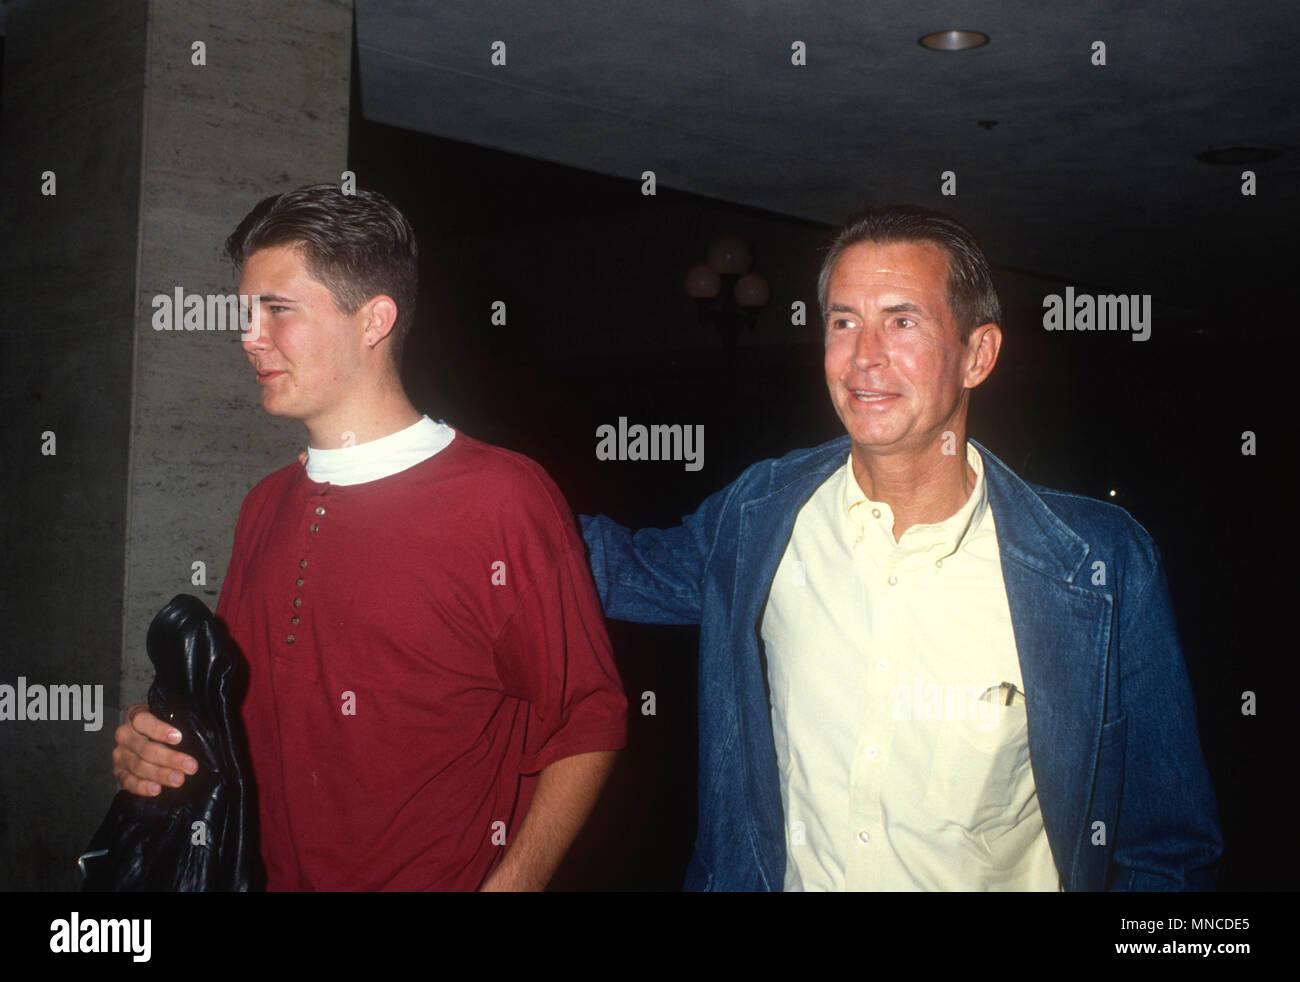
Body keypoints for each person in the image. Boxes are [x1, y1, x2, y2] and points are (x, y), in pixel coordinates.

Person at [580, 204, 1221, 891]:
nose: (865, 356)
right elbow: (615, 570)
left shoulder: (1097, 566)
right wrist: (464, 479)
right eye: (844, 321)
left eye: (902, 320)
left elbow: (1165, 850)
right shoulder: (765, 513)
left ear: (978, 355)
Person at [112, 184, 627, 891]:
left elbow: (587, 717)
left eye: (278, 310)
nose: (248, 335)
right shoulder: (265, 504)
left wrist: (515, 885)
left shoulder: (501, 498)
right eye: (245, 312)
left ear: (373, 320)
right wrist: (160, 746)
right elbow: (234, 714)